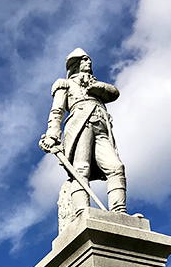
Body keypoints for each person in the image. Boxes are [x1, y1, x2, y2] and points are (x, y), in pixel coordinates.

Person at [39, 48, 126, 216]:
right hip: (80, 123)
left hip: (101, 126)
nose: (88, 62)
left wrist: (94, 87)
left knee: (116, 167)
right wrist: (52, 135)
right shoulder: (64, 84)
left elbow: (114, 93)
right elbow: (57, 111)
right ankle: (82, 212)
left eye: (89, 60)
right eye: (84, 60)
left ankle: (119, 211)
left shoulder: (95, 85)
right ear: (76, 63)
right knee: (80, 169)